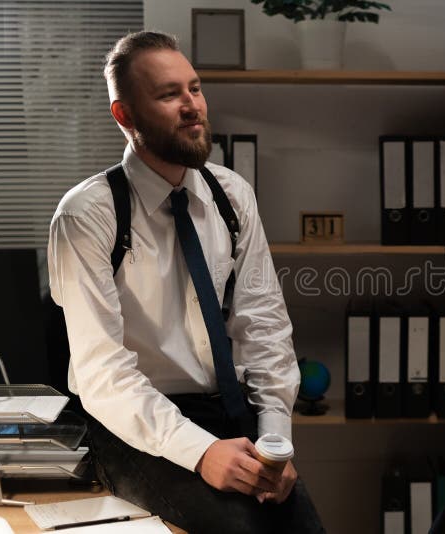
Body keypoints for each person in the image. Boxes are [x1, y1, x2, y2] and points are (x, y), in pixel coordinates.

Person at [47, 31, 324, 533]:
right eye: (168, 94)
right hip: (131, 425)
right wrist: (201, 453)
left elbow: (264, 327)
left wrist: (275, 442)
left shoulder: (231, 195)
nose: (192, 106)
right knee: (239, 529)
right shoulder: (88, 216)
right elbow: (103, 374)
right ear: (125, 116)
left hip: (230, 411)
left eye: (194, 88)